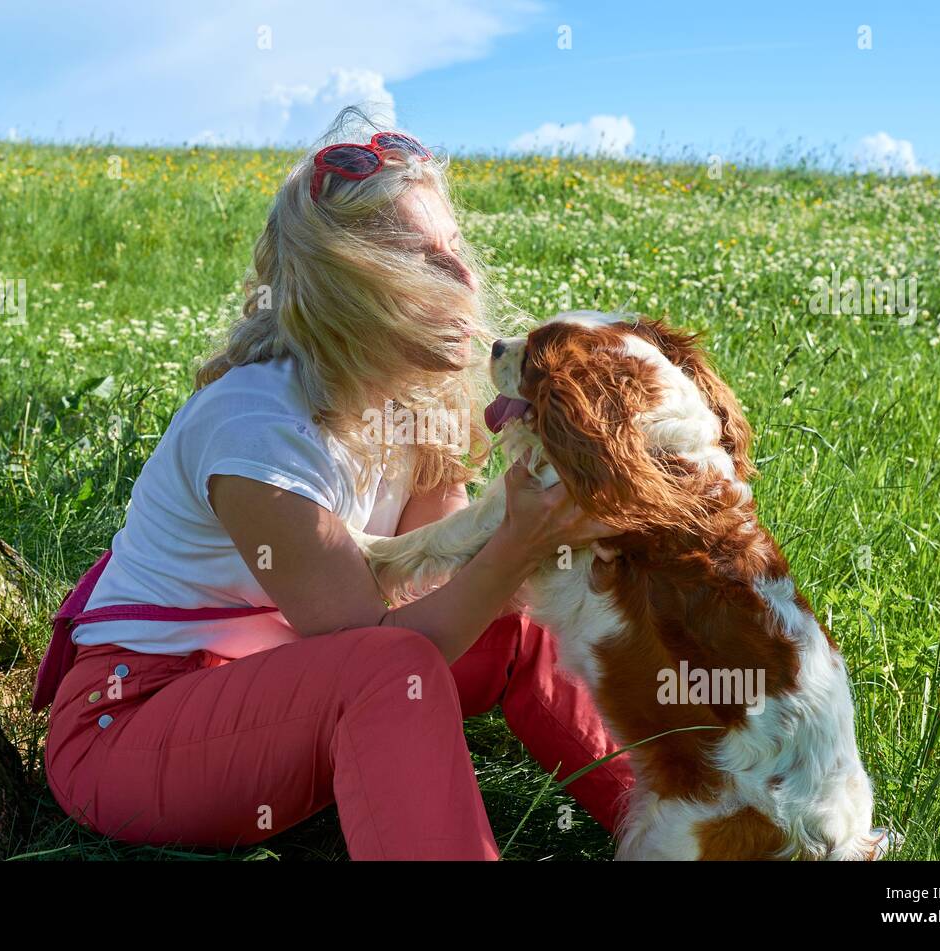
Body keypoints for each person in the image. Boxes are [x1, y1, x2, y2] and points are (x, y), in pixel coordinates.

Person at [43, 111, 633, 860]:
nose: (464, 279)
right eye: (425, 261)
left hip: (282, 684)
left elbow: (445, 578)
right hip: (133, 724)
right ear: (354, 287)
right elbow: (377, 642)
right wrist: (519, 543)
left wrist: (545, 534)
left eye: (456, 249)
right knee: (394, 669)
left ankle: (699, 822)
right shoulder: (257, 427)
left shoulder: (415, 391)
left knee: (518, 620)